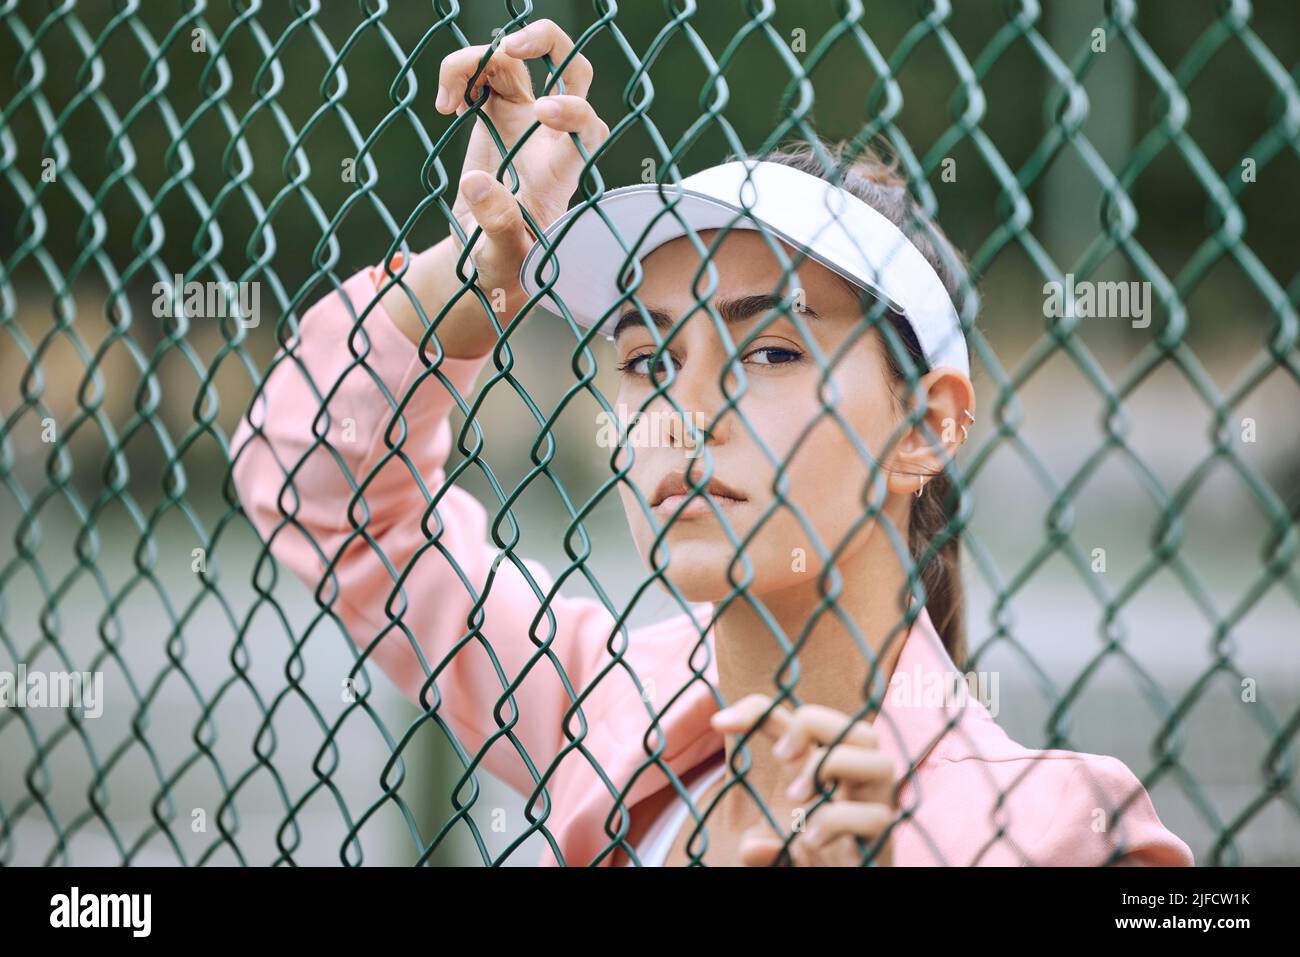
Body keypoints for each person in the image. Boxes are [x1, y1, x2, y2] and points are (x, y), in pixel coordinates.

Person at [231, 18, 1193, 866]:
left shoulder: (1059, 831)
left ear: (926, 425)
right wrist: (483, 273)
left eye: (770, 349)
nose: (683, 412)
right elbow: (322, 482)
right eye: (649, 359)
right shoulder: (601, 705)